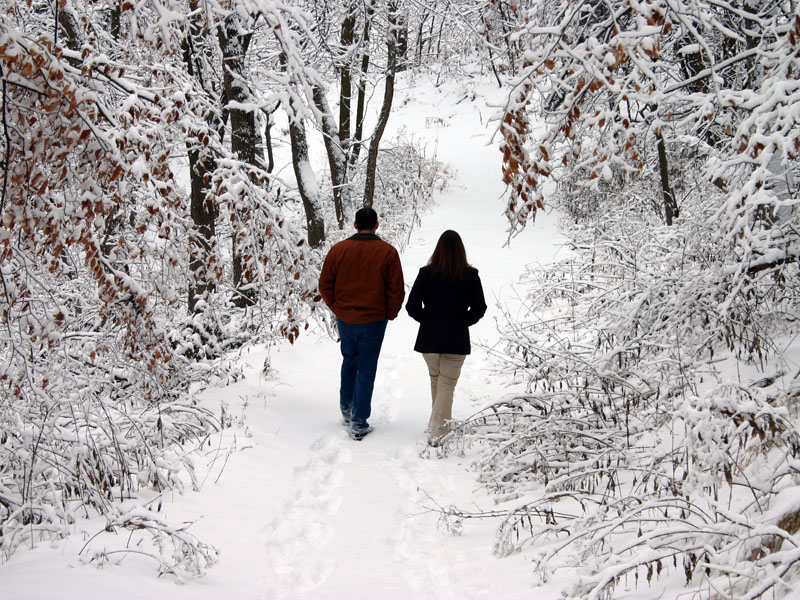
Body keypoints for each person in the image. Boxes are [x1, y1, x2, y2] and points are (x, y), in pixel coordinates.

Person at [318, 207, 405, 441]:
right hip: (374, 320)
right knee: (366, 368)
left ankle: (347, 411)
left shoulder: (338, 250)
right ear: (377, 225)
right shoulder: (388, 253)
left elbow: (325, 285)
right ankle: (358, 422)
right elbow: (396, 289)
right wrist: (389, 313)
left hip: (346, 319)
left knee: (349, 363)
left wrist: (338, 309)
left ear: (355, 225)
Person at [406, 230, 487, 446]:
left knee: (438, 381)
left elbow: (412, 306)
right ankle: (438, 431)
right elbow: (479, 308)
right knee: (446, 384)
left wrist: (428, 320)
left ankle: (439, 423)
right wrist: (463, 321)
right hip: (456, 338)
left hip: (430, 339)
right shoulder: (471, 276)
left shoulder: (426, 274)